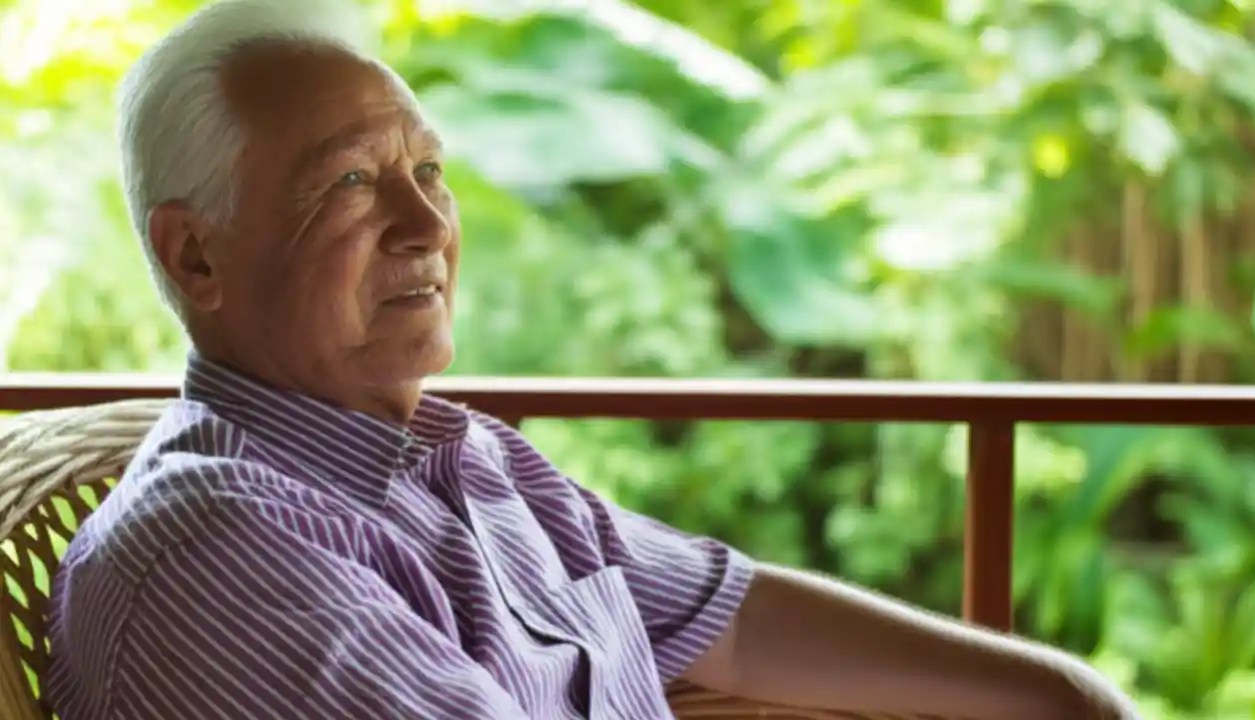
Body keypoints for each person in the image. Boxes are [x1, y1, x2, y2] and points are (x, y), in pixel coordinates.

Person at [46, 1, 1139, 718]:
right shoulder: (214, 545)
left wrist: (1065, 696)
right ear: (196, 256)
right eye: (347, 182)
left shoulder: (468, 460)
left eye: (429, 169)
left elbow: (736, 621)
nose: (427, 224)